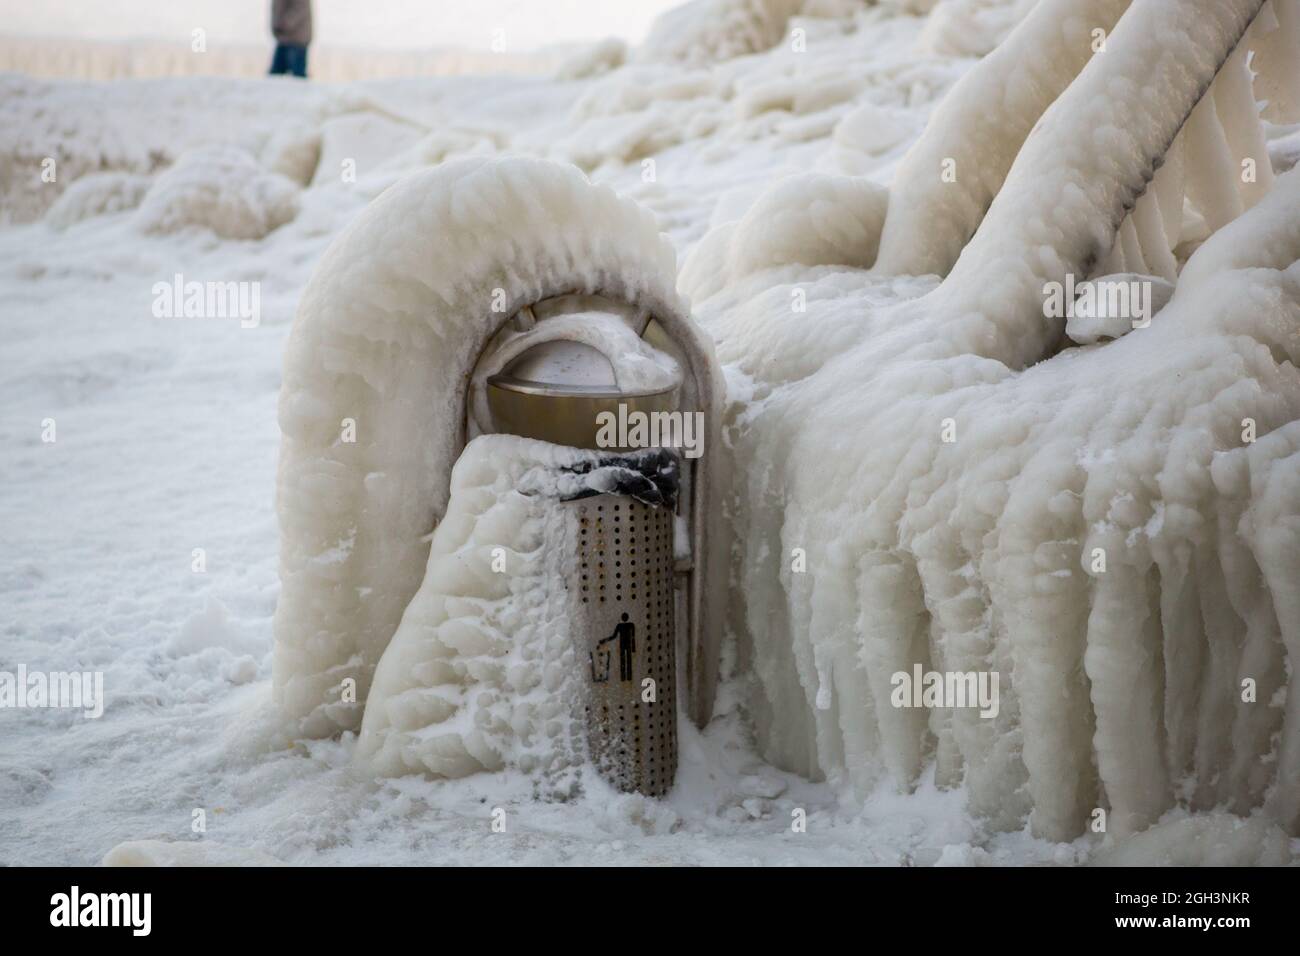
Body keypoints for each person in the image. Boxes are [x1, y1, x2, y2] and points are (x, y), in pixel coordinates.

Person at [269, 0, 312, 78]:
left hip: (297, 39)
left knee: (298, 76)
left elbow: (299, 10)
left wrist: (282, 25)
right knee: (275, 76)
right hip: (284, 38)